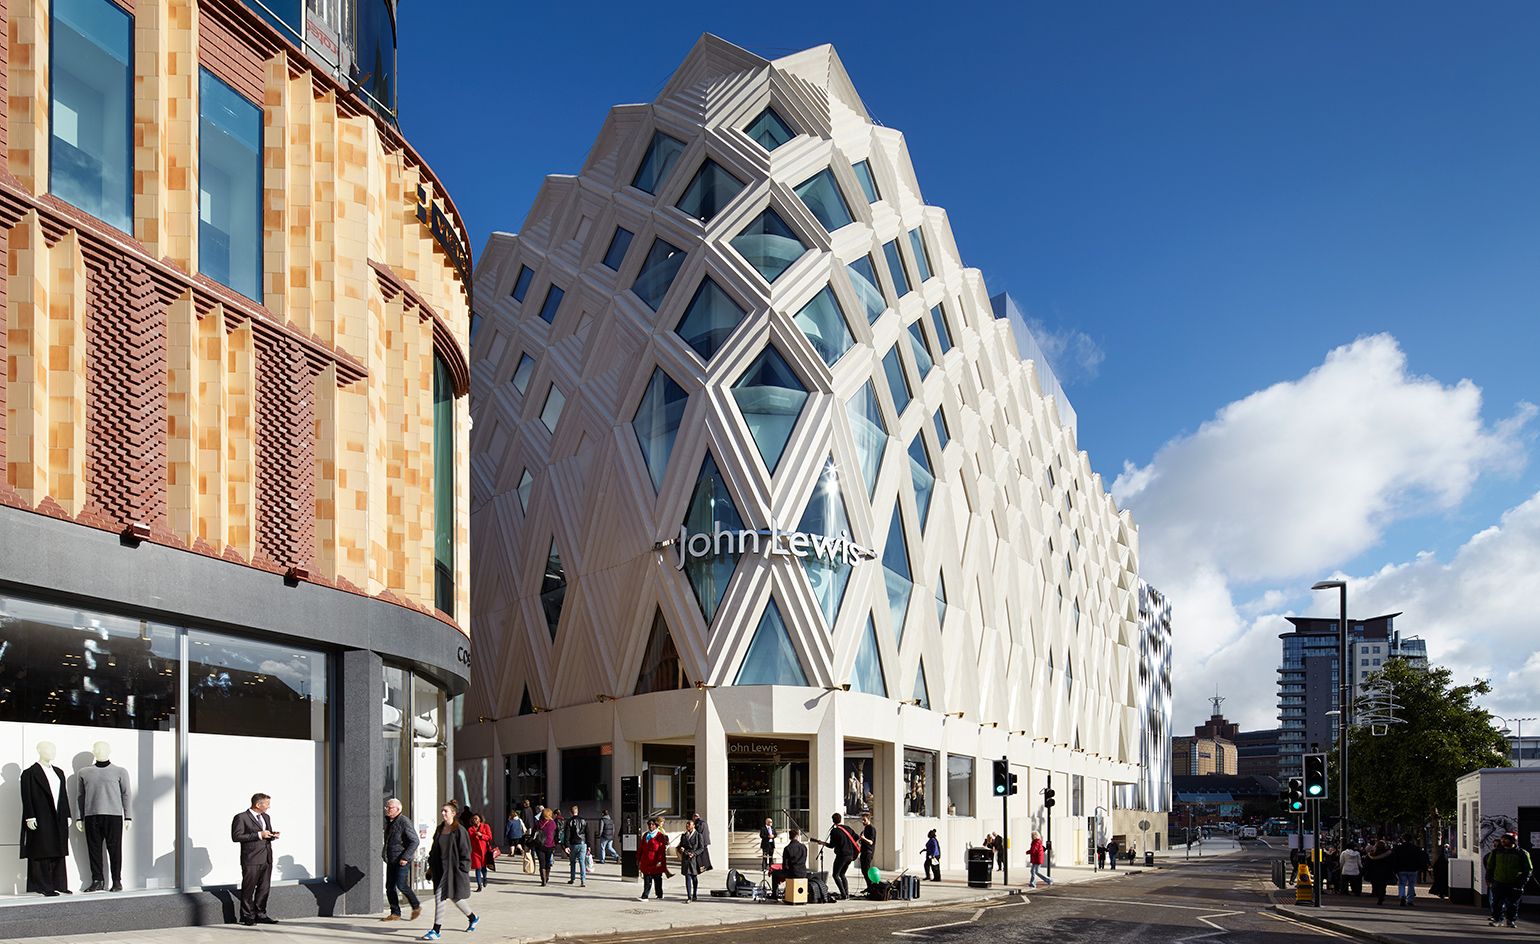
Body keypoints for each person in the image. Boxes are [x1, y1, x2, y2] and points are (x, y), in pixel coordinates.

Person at [422, 803, 478, 941]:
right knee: (454, 897)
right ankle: (473, 917)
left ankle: (436, 930)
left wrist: (463, 869)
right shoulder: (440, 829)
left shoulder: (459, 830)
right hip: (440, 869)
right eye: (442, 811)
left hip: (454, 870)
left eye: (446, 811)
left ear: (453, 813)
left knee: (440, 897)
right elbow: (434, 849)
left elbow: (466, 851)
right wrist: (430, 867)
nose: (443, 813)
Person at [230, 793, 278, 926]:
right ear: (258, 804)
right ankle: (247, 915)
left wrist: (271, 835)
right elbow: (236, 836)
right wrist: (258, 834)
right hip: (251, 859)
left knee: (264, 888)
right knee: (248, 888)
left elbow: (265, 834)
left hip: (267, 857)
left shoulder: (266, 817)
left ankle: (260, 914)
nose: (269, 807)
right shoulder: (241, 817)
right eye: (267, 804)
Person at [382, 797, 422, 922]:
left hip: (402, 860)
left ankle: (416, 906)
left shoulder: (404, 821)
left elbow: (415, 841)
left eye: (389, 807)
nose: (386, 809)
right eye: (386, 807)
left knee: (401, 885)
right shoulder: (390, 821)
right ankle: (395, 913)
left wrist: (405, 857)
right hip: (391, 859)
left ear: (398, 809)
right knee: (389, 887)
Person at [1485, 832, 1533, 929]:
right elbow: (1490, 866)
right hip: (1498, 881)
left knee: (1513, 904)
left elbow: (1528, 869)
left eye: (1506, 839)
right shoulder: (1496, 852)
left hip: (1514, 882)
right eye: (1502, 839)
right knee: (1497, 902)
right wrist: (1489, 879)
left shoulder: (1522, 853)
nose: (1503, 841)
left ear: (1513, 840)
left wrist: (1522, 882)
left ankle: (1510, 920)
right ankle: (1497, 919)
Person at [818, 812, 861, 900]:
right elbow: (857, 837)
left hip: (842, 855)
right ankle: (846, 894)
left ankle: (843, 894)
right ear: (841, 819)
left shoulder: (834, 831)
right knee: (842, 874)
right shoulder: (848, 828)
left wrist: (823, 843)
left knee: (835, 875)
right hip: (850, 855)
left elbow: (831, 845)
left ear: (833, 821)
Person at [638, 818, 669, 900]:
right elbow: (641, 847)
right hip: (646, 860)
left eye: (652, 825)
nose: (651, 826)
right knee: (647, 879)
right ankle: (645, 895)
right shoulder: (645, 835)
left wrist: (659, 860)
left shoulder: (659, 836)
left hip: (655, 861)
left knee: (657, 878)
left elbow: (661, 850)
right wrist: (638, 858)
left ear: (656, 826)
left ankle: (659, 894)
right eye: (649, 824)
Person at [1392, 833, 1427, 906]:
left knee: (1402, 883)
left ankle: (1402, 896)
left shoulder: (1398, 848)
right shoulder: (1416, 848)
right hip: (1413, 869)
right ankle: (1410, 900)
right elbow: (1419, 859)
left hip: (1401, 869)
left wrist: (1395, 868)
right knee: (1411, 885)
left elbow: (1395, 859)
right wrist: (1419, 867)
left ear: (1403, 839)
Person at [774, 826, 808, 898]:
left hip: (792, 872)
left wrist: (784, 871)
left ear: (790, 838)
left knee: (775, 873)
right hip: (803, 872)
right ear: (797, 836)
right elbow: (804, 859)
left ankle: (774, 894)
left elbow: (785, 865)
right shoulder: (804, 847)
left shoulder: (787, 848)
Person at [678, 817, 704, 902]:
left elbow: (701, 848)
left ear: (693, 826)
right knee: (687, 877)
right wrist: (681, 849)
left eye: (689, 825)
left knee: (694, 877)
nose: (687, 826)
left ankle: (695, 894)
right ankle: (689, 896)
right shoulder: (684, 835)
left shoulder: (698, 835)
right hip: (686, 858)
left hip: (694, 859)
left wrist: (694, 853)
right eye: (687, 825)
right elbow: (680, 845)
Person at [466, 812, 492, 892]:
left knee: (483, 867)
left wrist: (481, 835)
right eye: (473, 819)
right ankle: (479, 885)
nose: (475, 820)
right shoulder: (470, 829)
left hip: (484, 850)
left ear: (480, 819)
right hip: (475, 851)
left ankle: (484, 878)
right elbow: (469, 840)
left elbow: (489, 837)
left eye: (476, 819)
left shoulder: (485, 826)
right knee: (478, 868)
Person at [532, 807, 558, 886]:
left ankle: (543, 880)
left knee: (541, 863)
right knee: (548, 862)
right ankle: (547, 877)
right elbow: (555, 833)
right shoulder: (553, 823)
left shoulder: (538, 823)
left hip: (540, 845)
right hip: (550, 845)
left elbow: (533, 834)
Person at [563, 805, 589, 887]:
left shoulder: (569, 821)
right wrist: (589, 845)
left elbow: (567, 834)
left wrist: (566, 845)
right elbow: (587, 833)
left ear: (570, 812)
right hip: (582, 843)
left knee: (572, 862)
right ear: (577, 811)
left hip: (573, 844)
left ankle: (572, 878)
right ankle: (583, 880)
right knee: (582, 862)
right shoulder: (583, 820)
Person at [1365, 837, 1395, 905]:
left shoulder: (1372, 854)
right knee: (1383, 885)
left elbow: (1367, 864)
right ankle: (1381, 895)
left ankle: (1377, 894)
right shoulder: (1389, 854)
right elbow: (1392, 862)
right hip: (1385, 872)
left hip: (1374, 872)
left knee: (1376, 884)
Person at [859, 812, 877, 877]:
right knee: (863, 871)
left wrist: (863, 838)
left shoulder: (871, 829)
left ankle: (871, 886)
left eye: (864, 820)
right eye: (862, 820)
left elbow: (871, 842)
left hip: (868, 852)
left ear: (868, 820)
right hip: (863, 852)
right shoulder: (865, 828)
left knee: (866, 871)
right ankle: (869, 886)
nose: (862, 821)